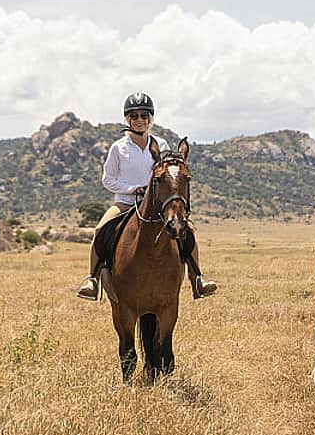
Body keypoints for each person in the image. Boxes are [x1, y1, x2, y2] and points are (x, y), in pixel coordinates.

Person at [76, 92, 218, 301]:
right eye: (135, 116)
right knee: (100, 229)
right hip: (126, 203)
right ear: (128, 119)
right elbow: (108, 179)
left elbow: (170, 175)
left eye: (144, 115)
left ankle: (197, 278)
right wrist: (132, 189)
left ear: (151, 119)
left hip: (157, 207)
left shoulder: (161, 145)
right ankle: (92, 280)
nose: (140, 120)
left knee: (188, 229)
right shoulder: (118, 148)